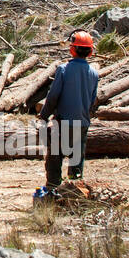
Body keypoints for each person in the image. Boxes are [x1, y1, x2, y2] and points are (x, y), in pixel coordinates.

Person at [37, 30, 99, 192]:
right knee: (76, 163)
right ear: (90, 51)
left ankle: (52, 193)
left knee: (54, 160)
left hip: (63, 123)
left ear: (72, 49)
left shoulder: (63, 69)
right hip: (83, 124)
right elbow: (92, 101)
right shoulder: (94, 73)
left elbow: (53, 96)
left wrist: (43, 116)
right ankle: (76, 195)